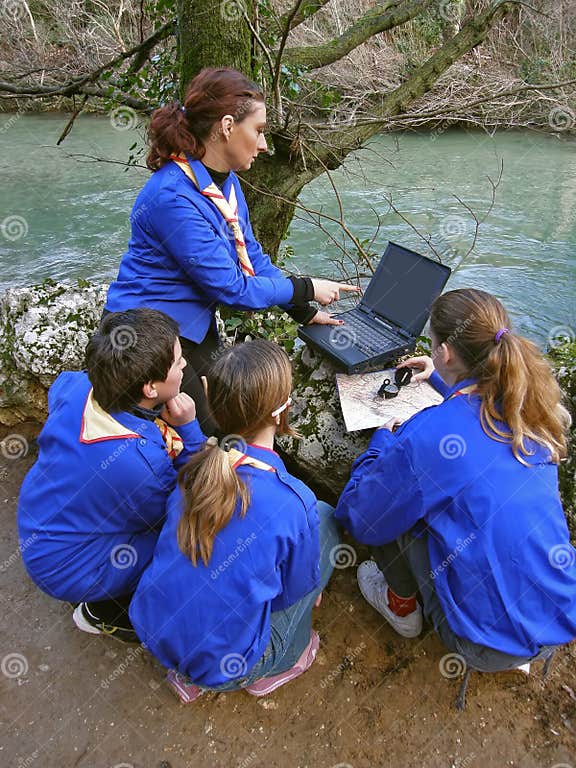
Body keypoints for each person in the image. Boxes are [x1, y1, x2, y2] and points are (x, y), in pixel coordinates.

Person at [335, 288, 576, 674]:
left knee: (394, 505)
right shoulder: (528, 408)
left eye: (432, 345)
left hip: (484, 645)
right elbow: (478, 435)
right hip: (558, 618)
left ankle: (401, 608)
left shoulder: (427, 437)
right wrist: (444, 384)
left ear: (445, 352)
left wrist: (382, 441)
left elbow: (360, 516)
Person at [104, 67, 359, 430]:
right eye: (258, 130)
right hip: (143, 339)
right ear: (226, 126)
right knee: (209, 433)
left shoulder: (226, 183)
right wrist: (306, 286)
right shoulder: (172, 196)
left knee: (227, 423)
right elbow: (231, 288)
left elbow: (251, 257)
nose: (265, 144)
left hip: (188, 327)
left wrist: (301, 309)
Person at [129, 339, 340, 701]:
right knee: (327, 520)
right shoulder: (294, 501)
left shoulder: (192, 470)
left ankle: (186, 673)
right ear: (281, 411)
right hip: (226, 666)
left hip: (151, 631)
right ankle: (275, 666)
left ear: (208, 395)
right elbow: (292, 593)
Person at [17, 309, 205, 642]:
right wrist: (189, 431)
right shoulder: (137, 461)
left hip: (40, 520)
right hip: (64, 567)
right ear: (149, 388)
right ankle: (106, 611)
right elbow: (178, 507)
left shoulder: (76, 384)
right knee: (188, 538)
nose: (185, 366)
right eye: (177, 363)